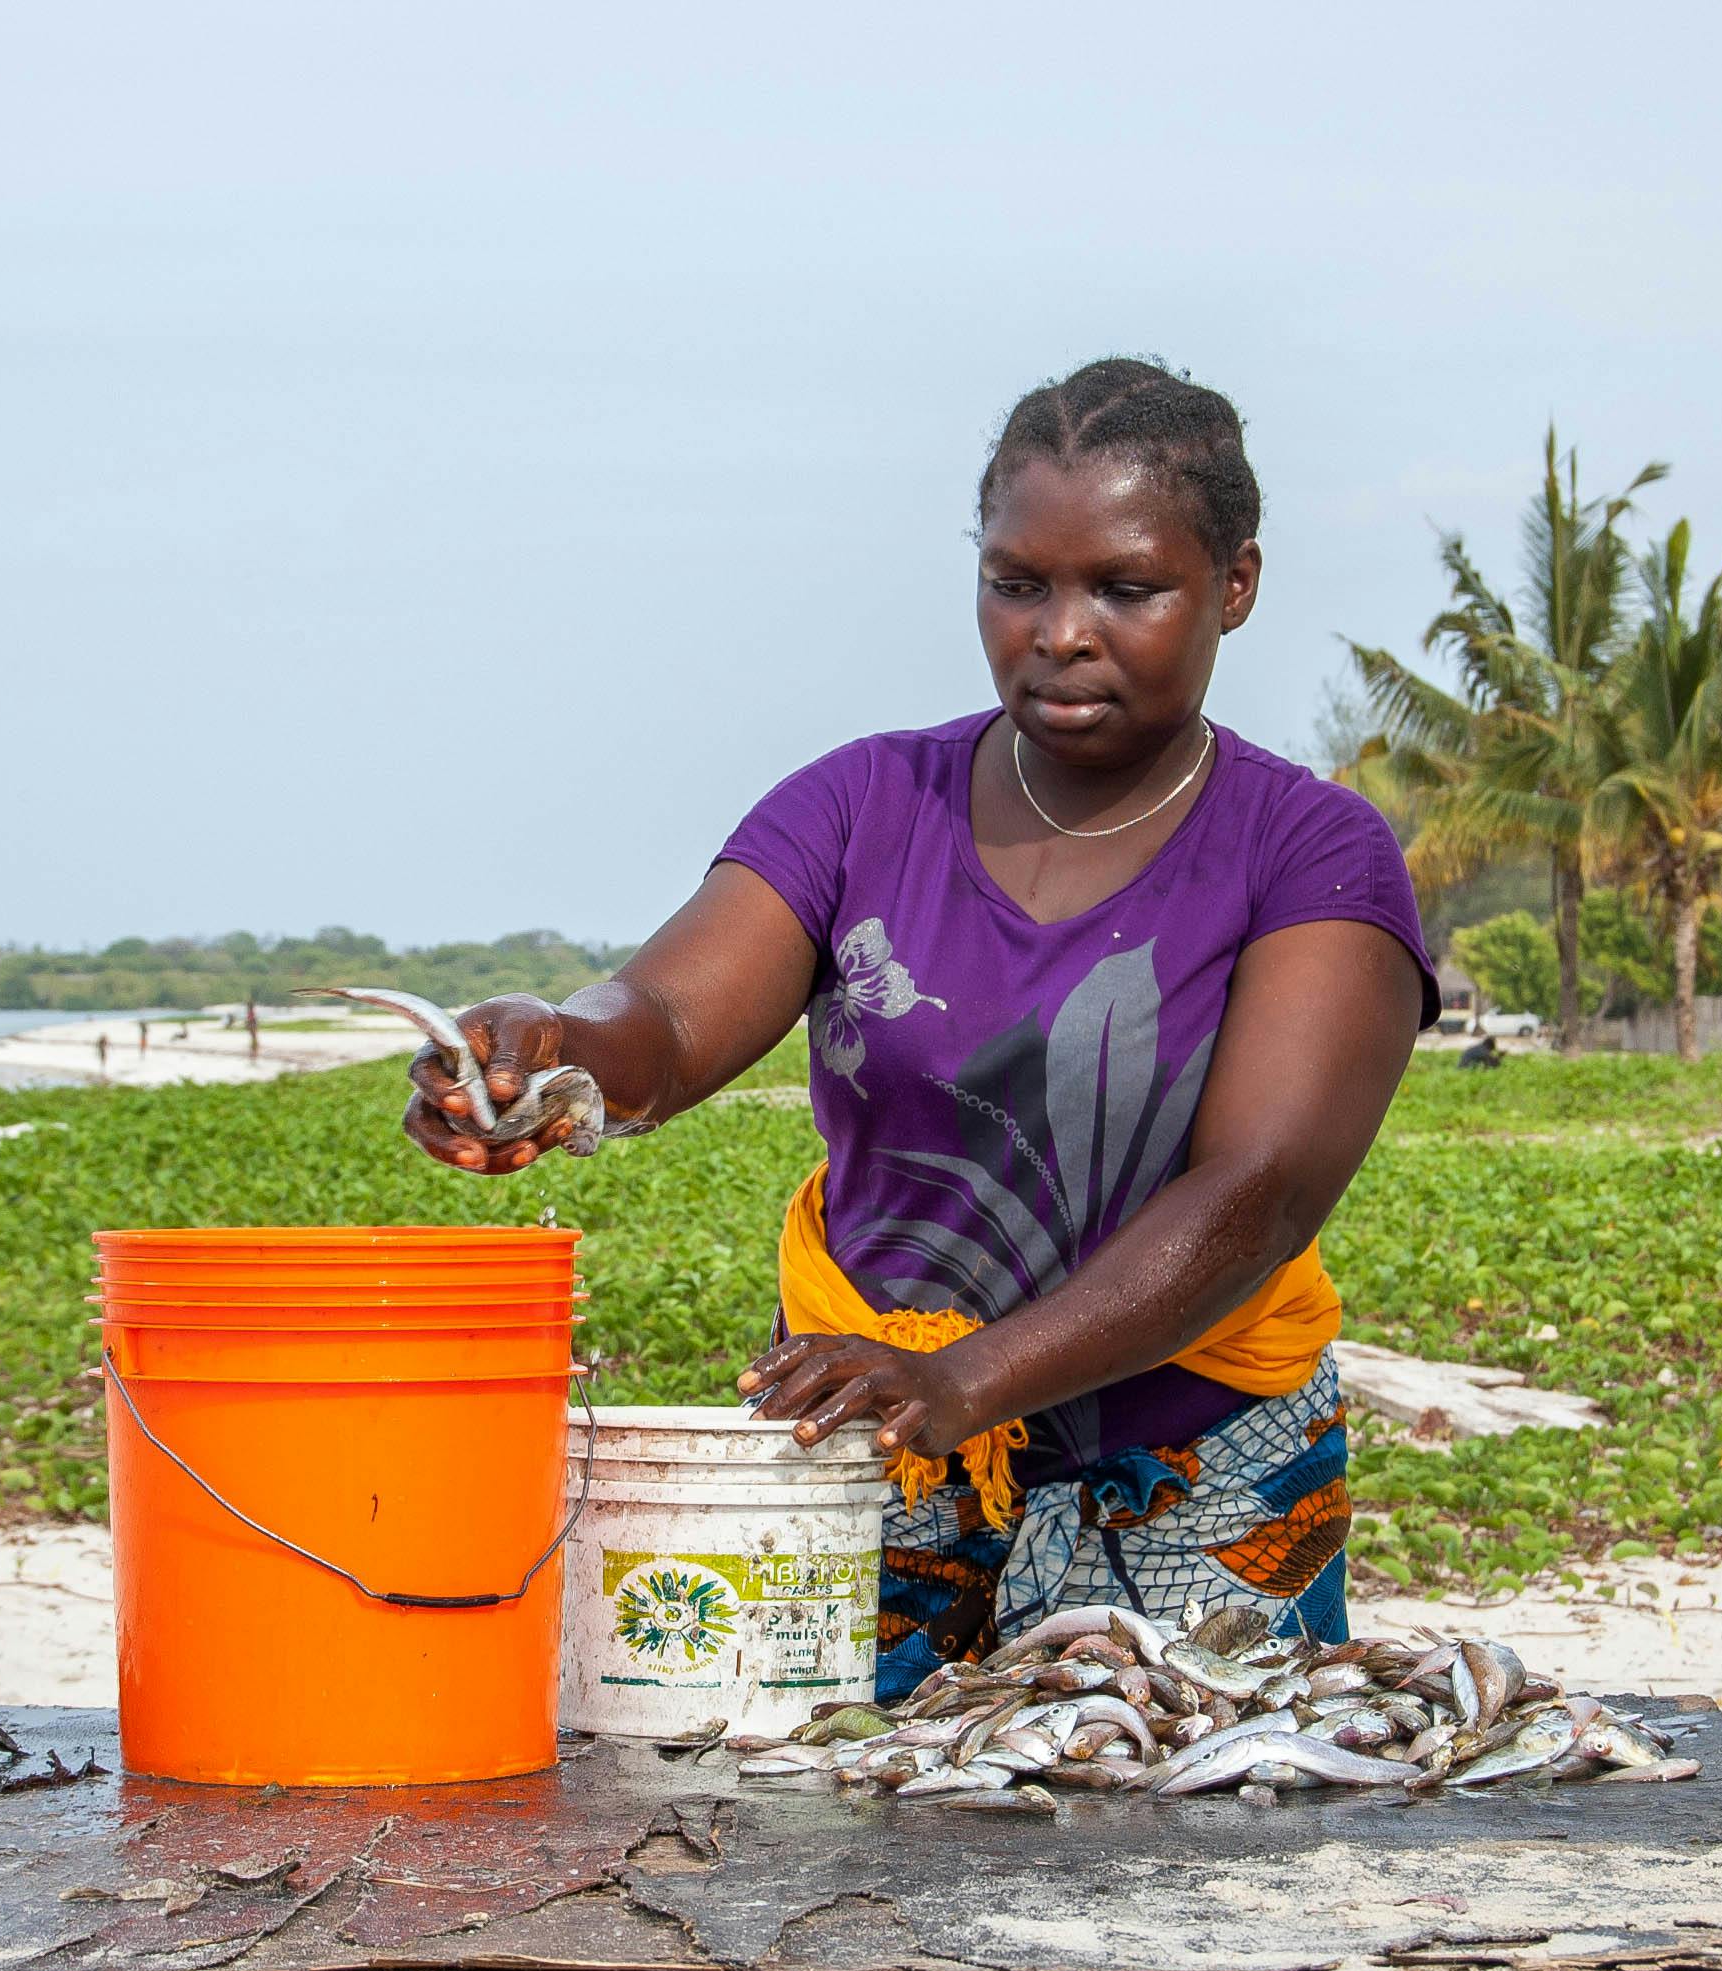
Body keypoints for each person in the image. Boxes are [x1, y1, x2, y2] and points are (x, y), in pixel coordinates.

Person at [398, 359, 1434, 1692]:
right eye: (1019, 584)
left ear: (1233, 584)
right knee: (835, 1847)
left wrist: (970, 1385)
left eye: (1125, 588)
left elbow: (1260, 1192)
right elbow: (662, 1014)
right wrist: (550, 1050)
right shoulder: (866, 804)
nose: (1061, 632)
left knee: (1188, 1860)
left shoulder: (1310, 853)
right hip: (873, 1456)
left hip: (1196, 1480)